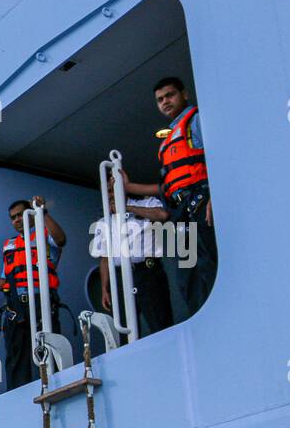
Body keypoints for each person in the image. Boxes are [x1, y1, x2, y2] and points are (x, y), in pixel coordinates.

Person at [120, 76, 217, 318]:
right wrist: (129, 186)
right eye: (160, 99)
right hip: (179, 213)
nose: (165, 102)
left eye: (170, 95)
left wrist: (217, 195)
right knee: (185, 275)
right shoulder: (167, 142)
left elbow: (219, 156)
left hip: (199, 203)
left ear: (184, 94)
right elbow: (166, 187)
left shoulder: (196, 121)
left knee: (208, 265)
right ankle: (201, 319)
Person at [0, 197, 67, 390]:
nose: (17, 220)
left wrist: (43, 212)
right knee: (17, 357)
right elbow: (4, 281)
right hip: (17, 307)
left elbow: (61, 239)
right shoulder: (10, 245)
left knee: (52, 350)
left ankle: (59, 387)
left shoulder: (45, 235)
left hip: (43, 303)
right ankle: (19, 395)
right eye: (13, 217)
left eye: (20, 215)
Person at [92, 185, 173, 338]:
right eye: (107, 191)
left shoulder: (146, 204)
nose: (110, 194)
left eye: (113, 189)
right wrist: (105, 288)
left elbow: (162, 215)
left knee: (160, 324)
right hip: (120, 278)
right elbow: (105, 258)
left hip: (147, 272)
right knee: (124, 330)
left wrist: (127, 208)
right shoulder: (104, 222)